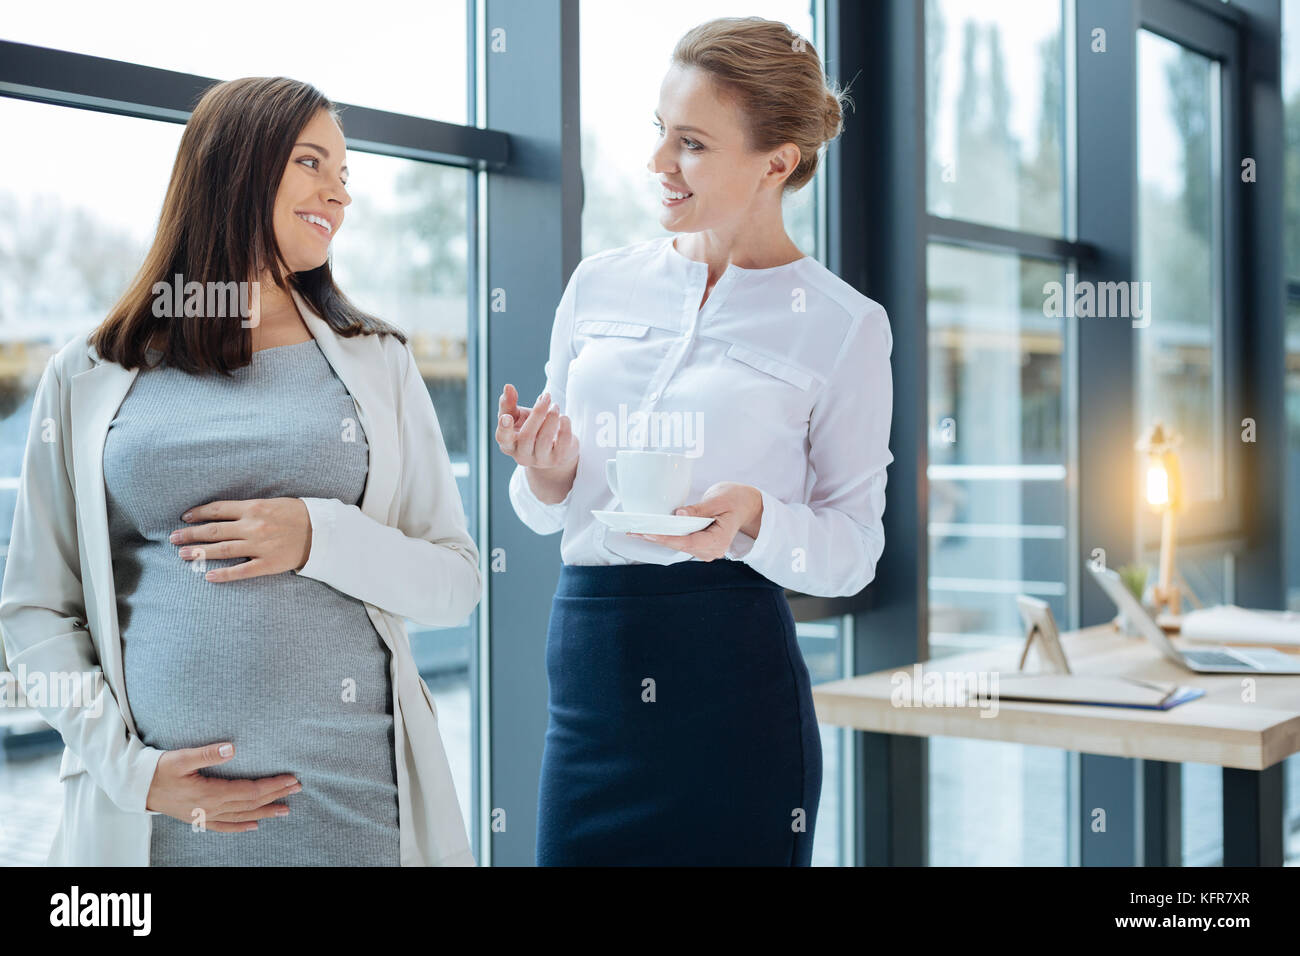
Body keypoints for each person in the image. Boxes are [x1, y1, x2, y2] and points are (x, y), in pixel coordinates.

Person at [0, 76, 480, 866]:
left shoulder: (379, 362)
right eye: (313, 163)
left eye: (346, 174)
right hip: (153, 822)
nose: (340, 194)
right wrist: (139, 775)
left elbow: (454, 581)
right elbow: (35, 611)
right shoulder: (87, 374)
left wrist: (318, 535)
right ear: (238, 165)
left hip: (355, 810)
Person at [496, 17, 894, 865]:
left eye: (692, 144)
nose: (657, 165)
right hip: (591, 677)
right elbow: (539, 510)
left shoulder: (842, 327)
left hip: (733, 687)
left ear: (777, 162)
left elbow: (856, 549)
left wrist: (757, 518)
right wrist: (549, 473)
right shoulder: (599, 283)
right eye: (658, 133)